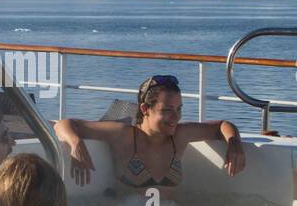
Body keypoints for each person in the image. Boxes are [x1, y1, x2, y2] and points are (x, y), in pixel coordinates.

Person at [54, 74, 245, 190]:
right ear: (145, 109)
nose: (176, 117)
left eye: (179, 109)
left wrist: (234, 143)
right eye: (167, 110)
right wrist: (76, 143)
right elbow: (64, 124)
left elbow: (223, 125)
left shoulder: (180, 135)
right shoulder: (124, 135)